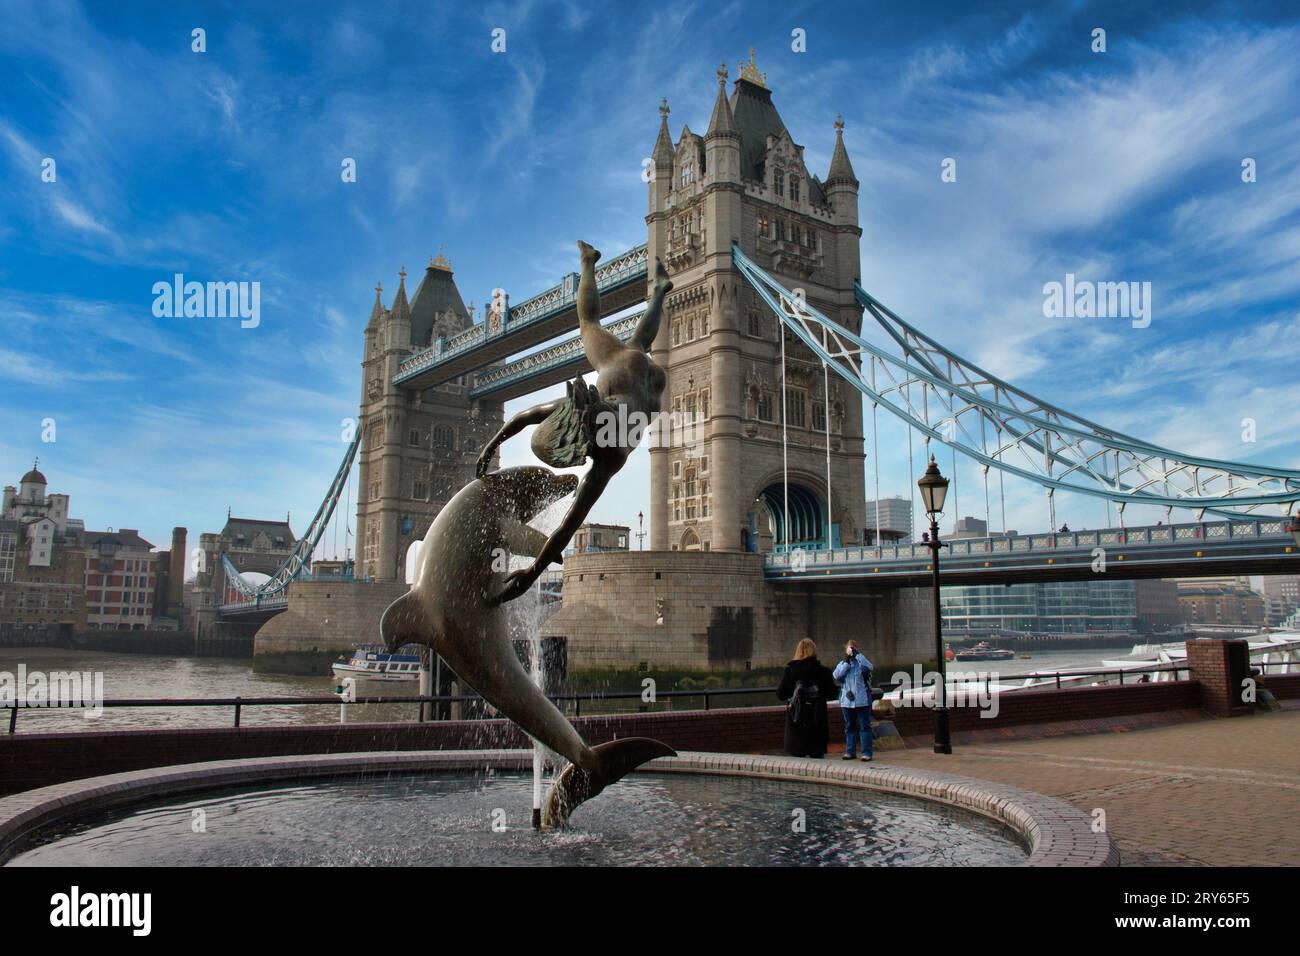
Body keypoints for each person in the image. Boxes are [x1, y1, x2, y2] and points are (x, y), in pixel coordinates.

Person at [477, 241, 673, 604]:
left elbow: (568, 525)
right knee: (592, 325)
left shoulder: (611, 457)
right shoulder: (584, 409)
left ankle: (657, 290)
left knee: (638, 341)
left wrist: (532, 572)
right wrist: (492, 445)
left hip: (651, 395)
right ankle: (589, 262)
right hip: (625, 373)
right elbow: (526, 416)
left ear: (580, 449)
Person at [776, 639, 836, 758]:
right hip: (817, 720)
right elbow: (833, 693)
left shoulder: (790, 671)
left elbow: (780, 694)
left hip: (797, 721)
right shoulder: (823, 671)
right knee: (817, 763)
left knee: (798, 762)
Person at [833, 640, 874, 761]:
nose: (851, 650)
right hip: (847, 700)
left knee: (864, 726)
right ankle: (850, 751)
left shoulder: (862, 663)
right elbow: (836, 675)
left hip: (862, 700)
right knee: (849, 726)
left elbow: (870, 667)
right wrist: (846, 662)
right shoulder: (843, 663)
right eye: (850, 648)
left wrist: (858, 655)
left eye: (853, 648)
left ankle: (866, 752)